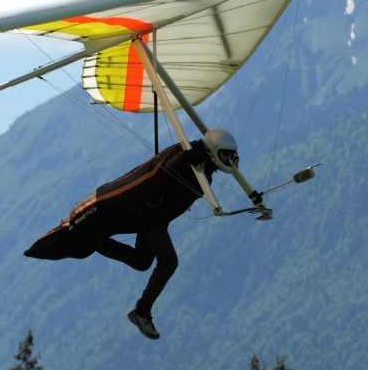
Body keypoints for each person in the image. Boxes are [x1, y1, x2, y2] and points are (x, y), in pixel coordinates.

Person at [24, 128, 247, 340]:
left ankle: (96, 241)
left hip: (152, 218)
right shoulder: (187, 158)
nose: (230, 160)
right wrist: (187, 158)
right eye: (226, 154)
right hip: (148, 218)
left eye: (232, 155)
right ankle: (142, 312)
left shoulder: (202, 171)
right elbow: (168, 170)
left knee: (142, 262)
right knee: (169, 261)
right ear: (211, 151)